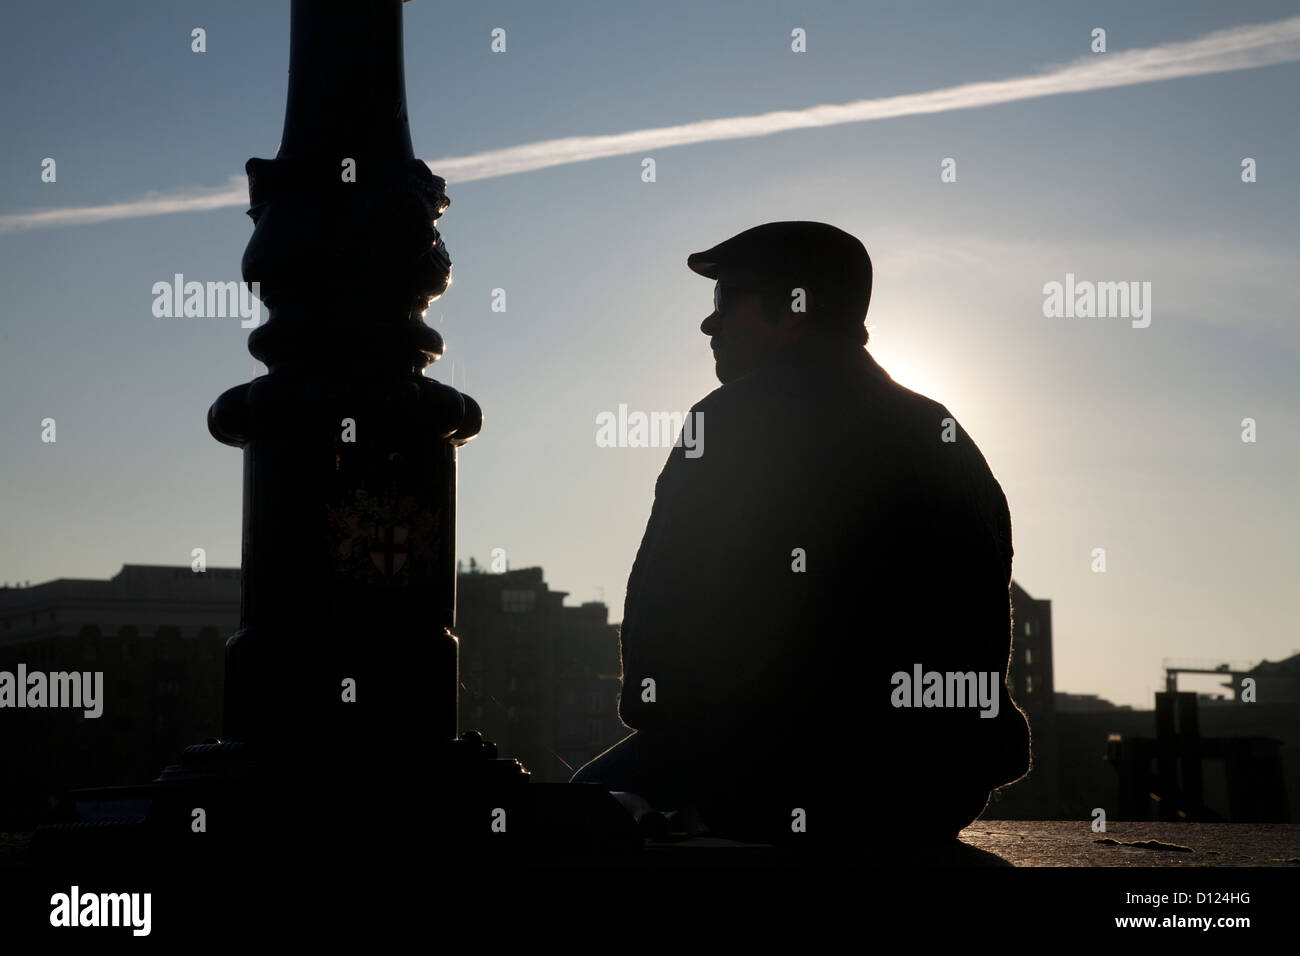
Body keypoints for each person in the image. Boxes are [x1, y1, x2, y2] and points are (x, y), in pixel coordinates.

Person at [571, 221, 1030, 849]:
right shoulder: (942, 432)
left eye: (726, 299)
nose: (710, 325)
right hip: (938, 789)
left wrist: (675, 730)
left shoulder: (732, 421)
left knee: (564, 824)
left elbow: (663, 619)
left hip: (776, 779)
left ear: (794, 307)